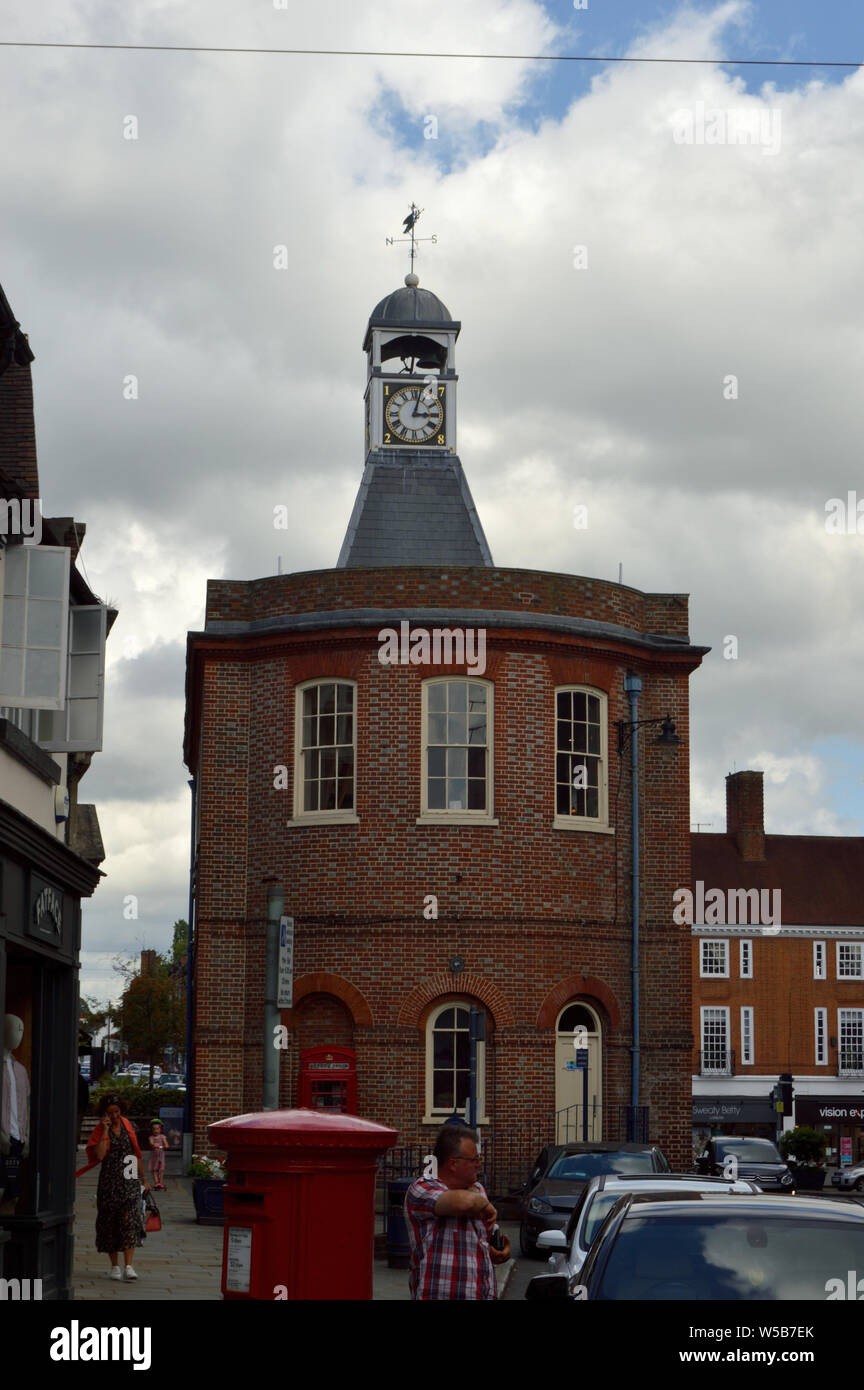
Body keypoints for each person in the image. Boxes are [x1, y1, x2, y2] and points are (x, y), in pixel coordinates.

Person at [404, 1123, 511, 1300]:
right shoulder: (422, 1188)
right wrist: (486, 1205)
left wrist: (495, 1252)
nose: (479, 1164)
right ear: (453, 1163)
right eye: (474, 1160)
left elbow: (478, 1238)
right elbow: (463, 1203)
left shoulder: (477, 1189)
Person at [85, 1093, 149, 1281]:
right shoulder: (100, 1130)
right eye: (109, 1113)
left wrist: (144, 1178)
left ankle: (129, 1266)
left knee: (130, 1221)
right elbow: (99, 1156)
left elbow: (137, 1154)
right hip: (109, 1183)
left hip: (129, 1180)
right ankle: (115, 1266)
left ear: (121, 1110)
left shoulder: (130, 1126)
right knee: (109, 1223)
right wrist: (105, 1131)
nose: (113, 1116)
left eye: (116, 1112)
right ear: (103, 1114)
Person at [148, 1120, 168, 1190]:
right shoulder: (151, 1137)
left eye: (157, 1129)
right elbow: (151, 1143)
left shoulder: (162, 1137)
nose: (156, 1130)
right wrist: (153, 1144)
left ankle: (161, 1182)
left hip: (161, 1155)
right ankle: (156, 1182)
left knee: (161, 1169)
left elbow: (166, 1144)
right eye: (154, 1129)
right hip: (154, 1156)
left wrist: (166, 1145)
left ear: (160, 1129)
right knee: (154, 1169)